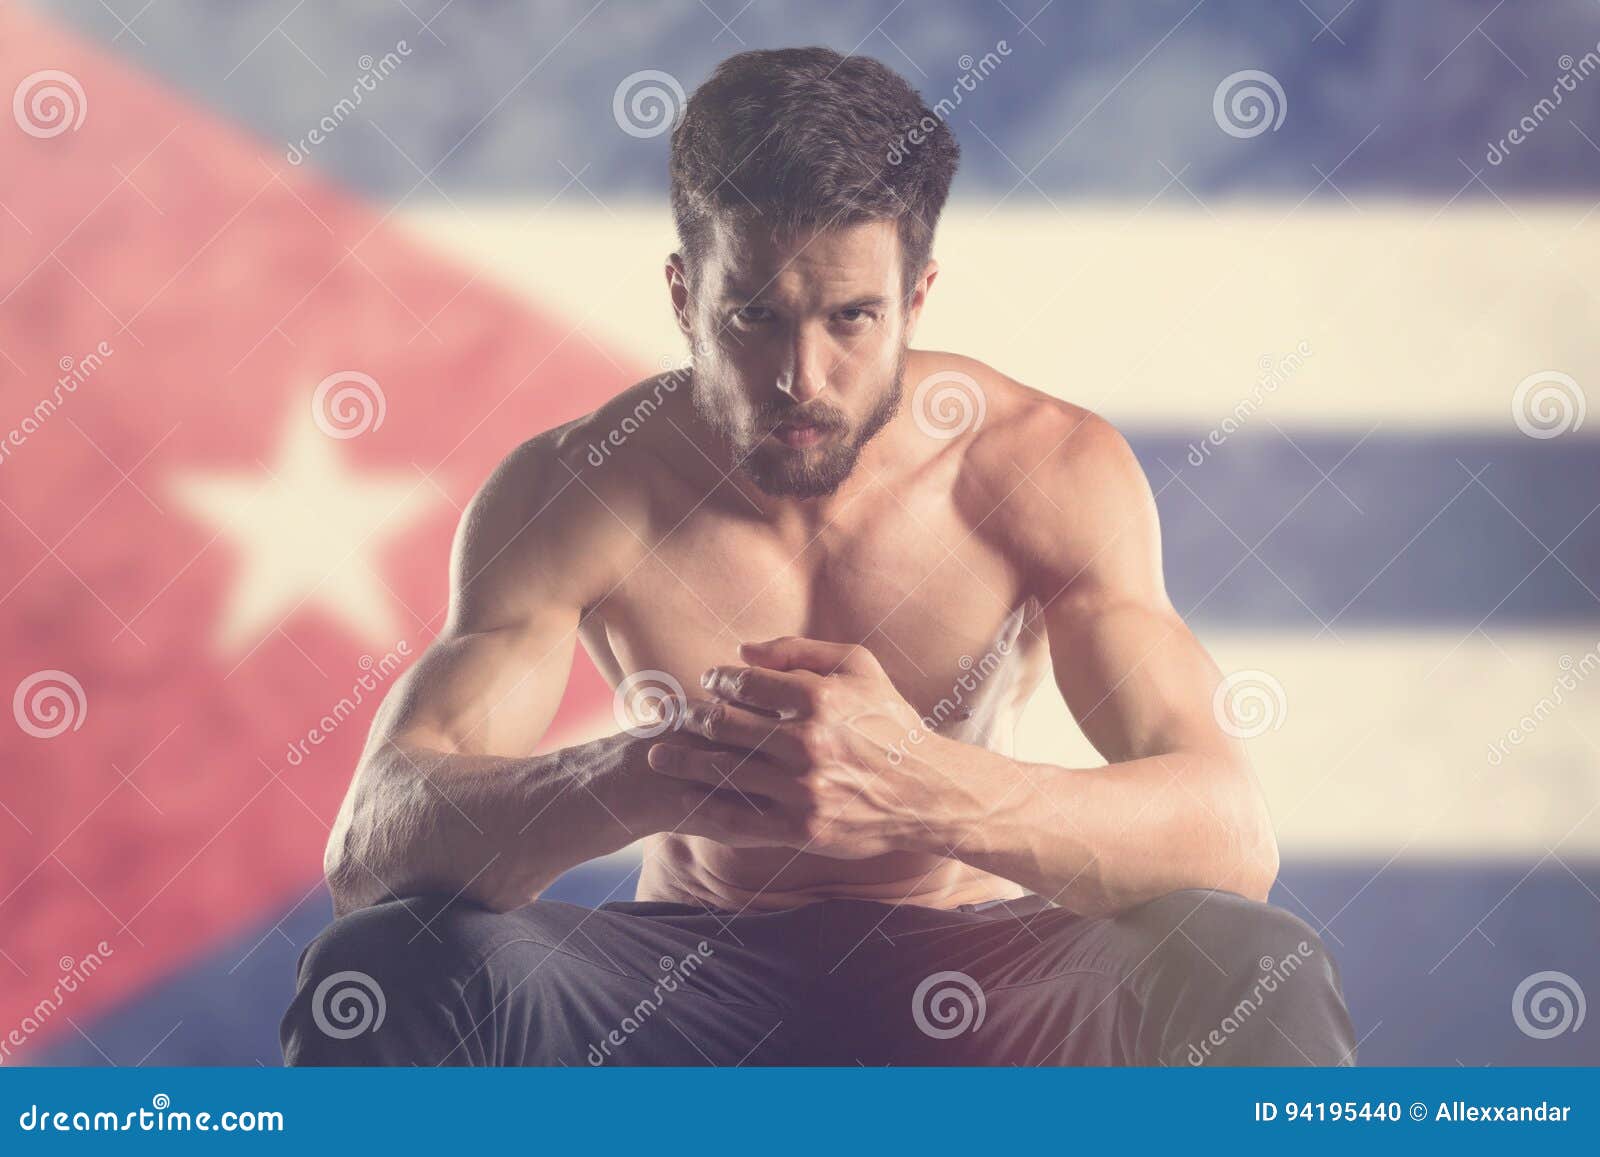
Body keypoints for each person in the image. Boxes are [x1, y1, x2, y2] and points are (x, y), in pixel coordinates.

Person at [280, 46, 1357, 1067]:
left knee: (1250, 962)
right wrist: (651, 773)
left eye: (850, 318)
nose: (801, 376)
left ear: (915, 300)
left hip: (982, 979)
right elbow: (372, 847)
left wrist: (920, 787)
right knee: (387, 962)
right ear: (683, 297)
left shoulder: (1044, 468)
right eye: (753, 316)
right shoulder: (580, 486)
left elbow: (1230, 837)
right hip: (681, 982)